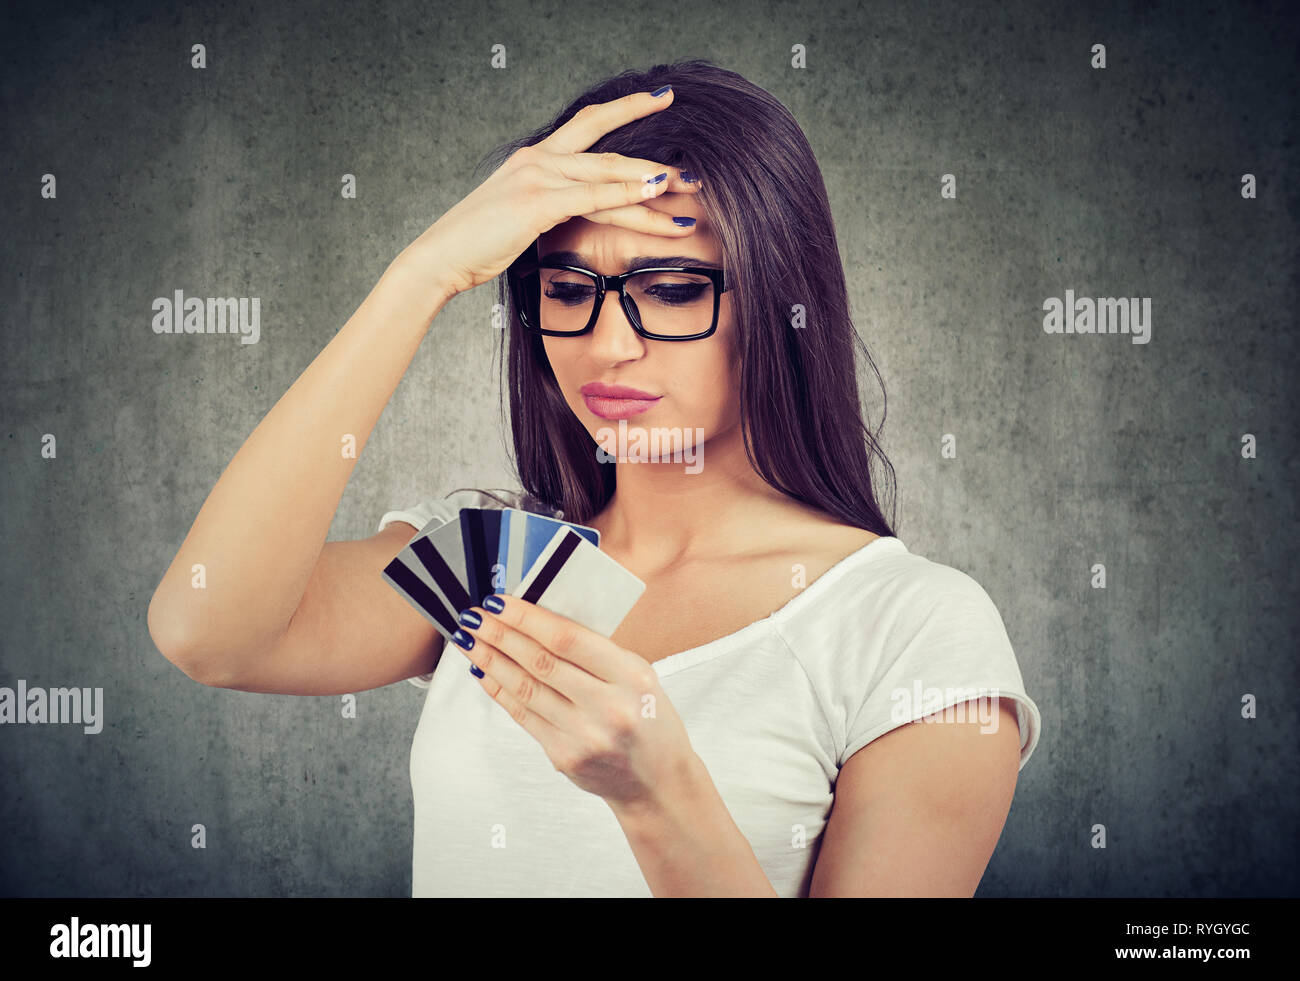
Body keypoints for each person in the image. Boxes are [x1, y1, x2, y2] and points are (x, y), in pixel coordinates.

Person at [148, 59, 1042, 897]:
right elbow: (208, 629)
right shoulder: (491, 561)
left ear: (778, 300)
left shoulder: (913, 627)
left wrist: (659, 794)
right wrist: (423, 275)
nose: (608, 345)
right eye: (568, 288)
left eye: (674, 287)